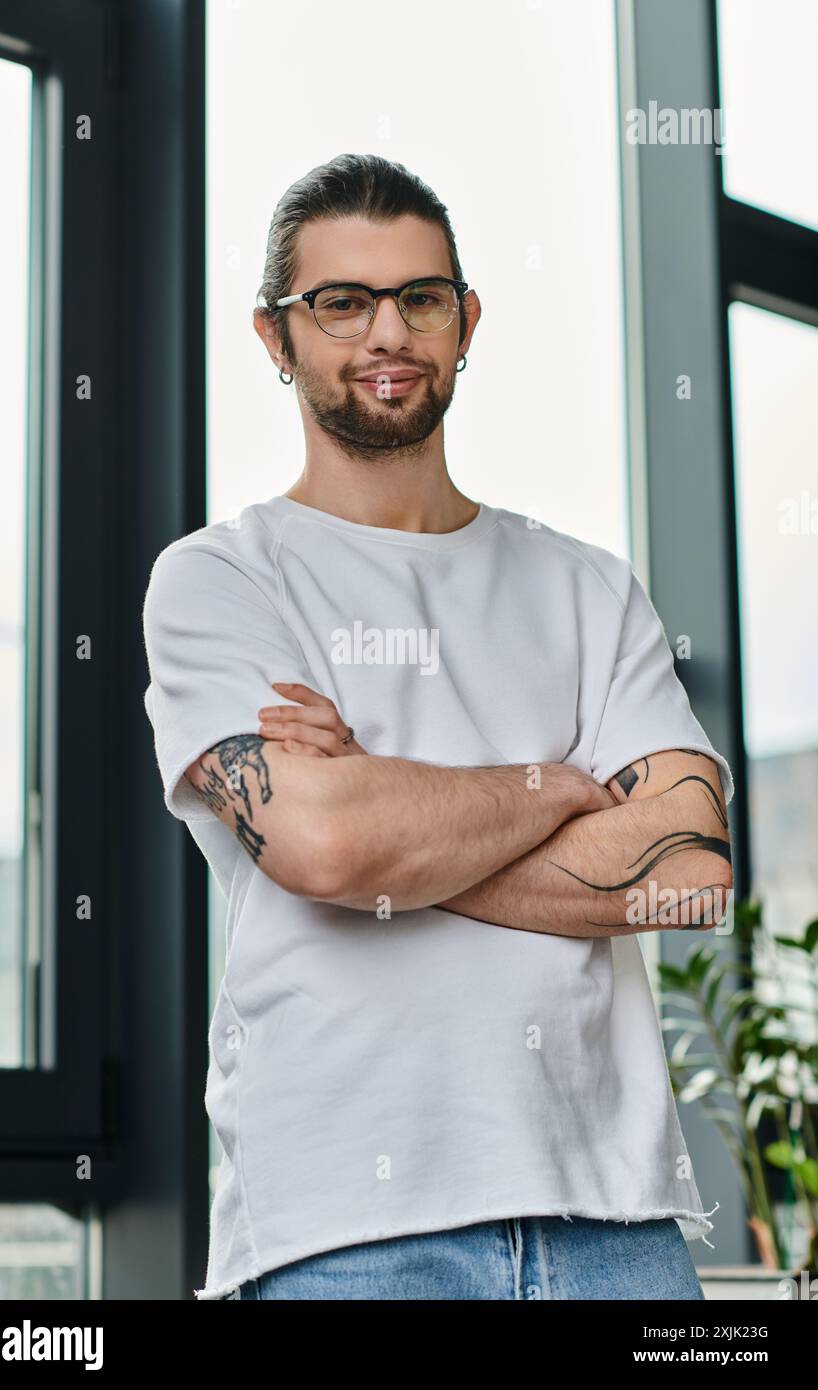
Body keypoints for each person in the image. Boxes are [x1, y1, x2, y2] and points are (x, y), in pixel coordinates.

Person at [142, 153, 733, 1301]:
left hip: (613, 1223)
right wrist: (555, 785)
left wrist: (379, 802)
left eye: (418, 298)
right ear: (277, 340)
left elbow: (688, 870)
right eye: (339, 303)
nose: (385, 334)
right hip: (345, 1232)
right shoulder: (219, 579)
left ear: (464, 322)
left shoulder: (584, 585)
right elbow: (323, 847)